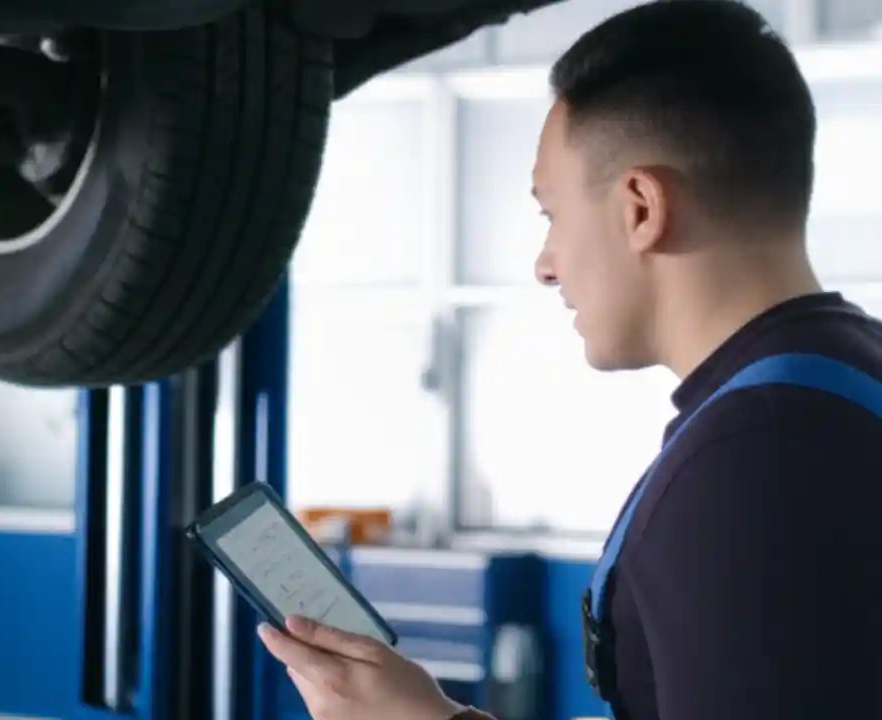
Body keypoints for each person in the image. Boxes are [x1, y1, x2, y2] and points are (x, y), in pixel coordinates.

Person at [259, 2, 882, 719]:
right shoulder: (841, 376)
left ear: (641, 207)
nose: (545, 264)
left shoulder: (752, 464)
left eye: (551, 215)